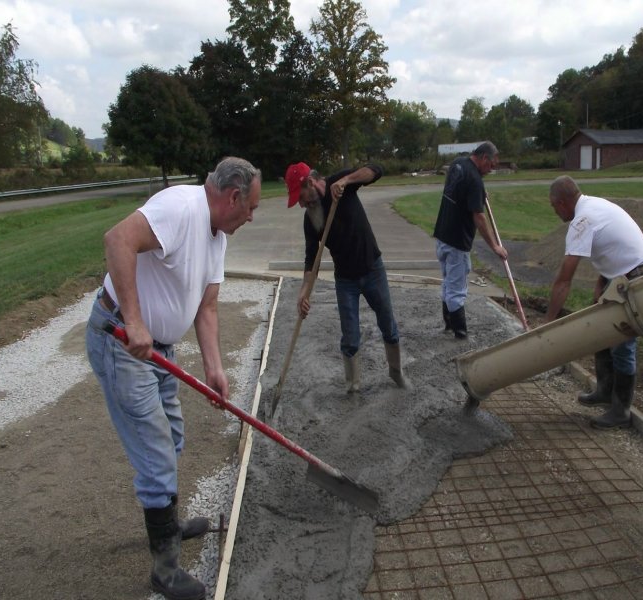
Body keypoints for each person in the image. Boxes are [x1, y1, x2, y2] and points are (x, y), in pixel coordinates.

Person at [86, 157, 261, 600]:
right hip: (123, 342)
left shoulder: (217, 236)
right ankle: (165, 571)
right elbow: (117, 240)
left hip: (158, 351)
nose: (252, 217)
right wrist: (135, 319)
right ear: (234, 197)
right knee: (156, 454)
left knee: (173, 437)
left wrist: (216, 368)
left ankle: (166, 519)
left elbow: (207, 307)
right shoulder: (181, 208)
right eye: (251, 209)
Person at [545, 175, 643, 430]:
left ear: (562, 202)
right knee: (602, 329)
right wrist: (601, 283)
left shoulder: (582, 222)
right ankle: (605, 391)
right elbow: (615, 250)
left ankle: (621, 411)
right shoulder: (595, 206)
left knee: (621, 340)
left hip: (638, 280)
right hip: (628, 273)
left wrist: (548, 324)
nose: (554, 212)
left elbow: (564, 280)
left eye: (554, 207)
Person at [284, 161, 406, 393]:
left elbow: (377, 170)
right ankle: (353, 386)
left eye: (300, 197)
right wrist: (304, 290)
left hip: (372, 270)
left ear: (310, 182)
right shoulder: (312, 217)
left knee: (387, 325)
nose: (300, 204)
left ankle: (396, 373)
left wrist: (347, 180)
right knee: (350, 338)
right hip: (345, 281)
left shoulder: (340, 184)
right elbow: (312, 258)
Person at [432, 141, 508, 338]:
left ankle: (449, 325)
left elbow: (458, 190)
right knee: (456, 287)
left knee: (448, 282)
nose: (490, 170)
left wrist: (479, 194)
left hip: (442, 235)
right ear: (484, 158)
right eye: (490, 166)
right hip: (457, 241)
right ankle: (460, 333)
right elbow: (479, 217)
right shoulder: (475, 180)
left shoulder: (458, 164)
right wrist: (495, 246)